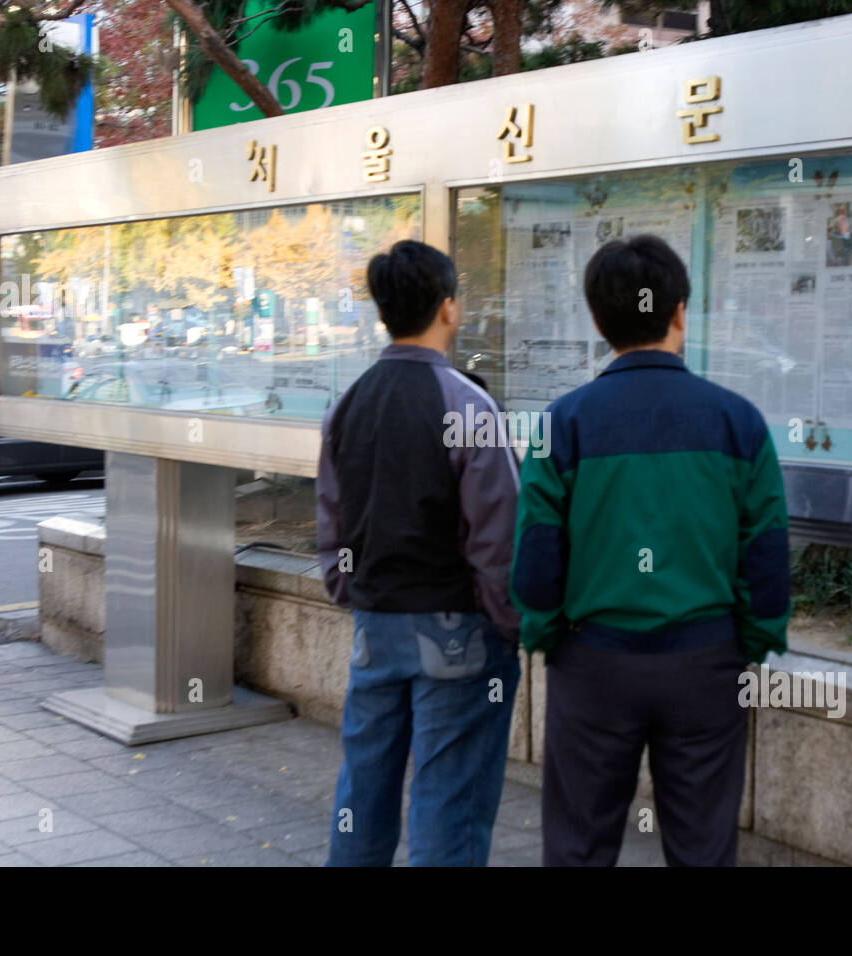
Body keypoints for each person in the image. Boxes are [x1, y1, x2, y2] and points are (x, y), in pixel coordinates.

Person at [510, 235, 792, 866]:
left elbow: (536, 558)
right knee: (703, 848)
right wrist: (749, 640)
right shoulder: (737, 422)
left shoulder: (563, 423)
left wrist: (550, 636)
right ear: (680, 312)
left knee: (579, 846)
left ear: (596, 318)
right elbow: (767, 554)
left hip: (593, 663)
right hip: (706, 665)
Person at [316, 239, 522, 866]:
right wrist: (510, 623)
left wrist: (354, 594)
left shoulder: (346, 406)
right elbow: (498, 537)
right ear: (449, 307)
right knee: (448, 795)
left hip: (375, 625)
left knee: (364, 786)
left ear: (384, 312)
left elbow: (333, 521)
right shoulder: (469, 406)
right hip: (457, 629)